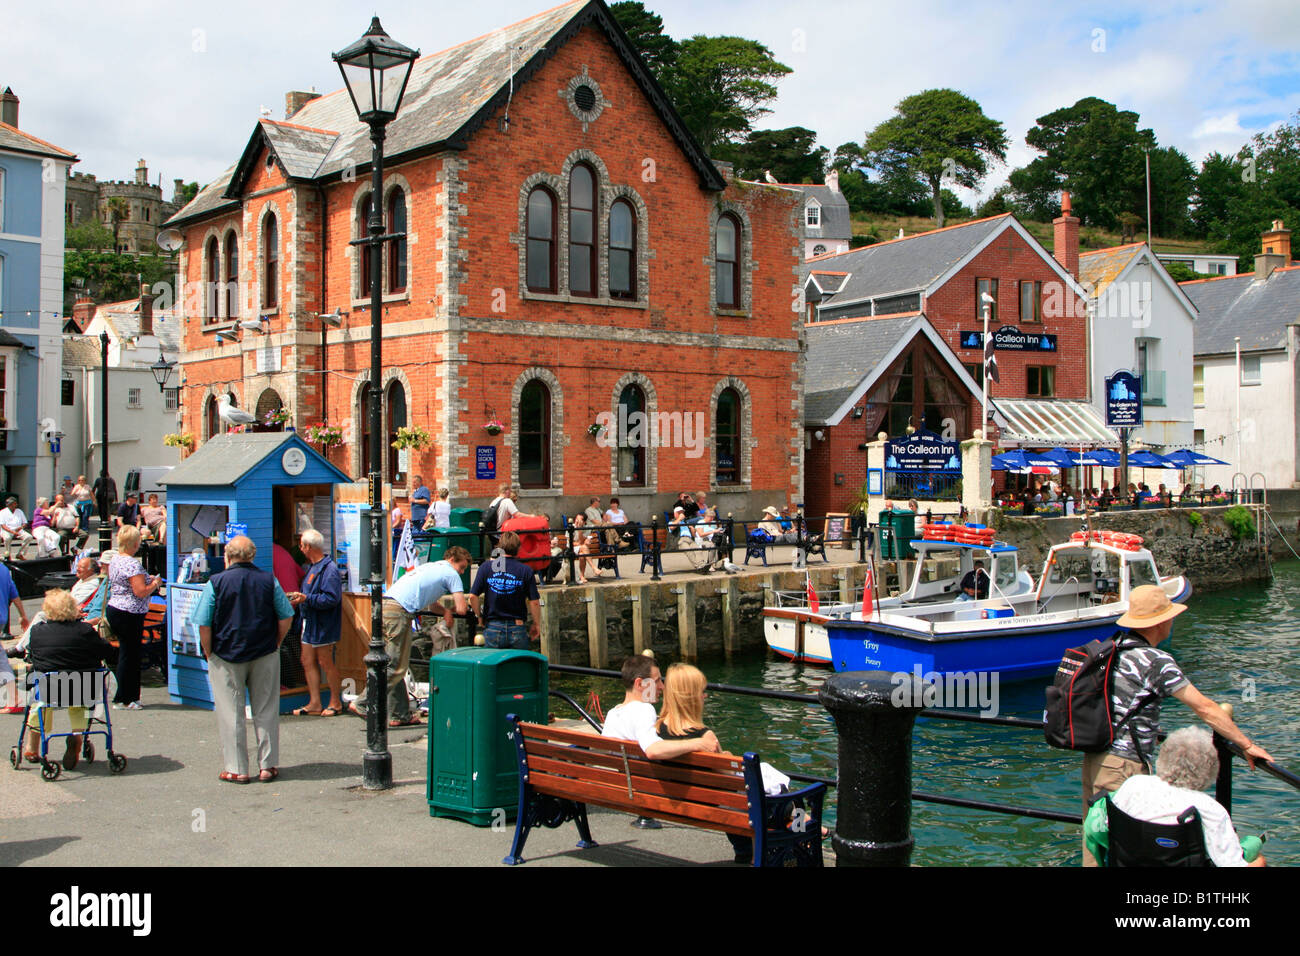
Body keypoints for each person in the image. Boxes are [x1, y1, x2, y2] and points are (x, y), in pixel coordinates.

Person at [1080, 584, 1274, 866]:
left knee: (1096, 844)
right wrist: (1246, 744)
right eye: (1169, 617)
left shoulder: (1114, 647)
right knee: (1130, 851)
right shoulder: (1155, 661)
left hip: (1094, 756)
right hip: (1122, 765)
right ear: (1160, 622)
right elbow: (1205, 708)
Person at [195, 536, 294, 783]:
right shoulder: (268, 580)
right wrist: (277, 642)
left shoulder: (216, 582)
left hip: (226, 652)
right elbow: (286, 615)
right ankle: (267, 766)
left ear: (227, 556)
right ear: (252, 555)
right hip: (264, 651)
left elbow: (204, 623)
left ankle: (237, 768)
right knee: (266, 709)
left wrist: (208, 651)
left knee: (231, 712)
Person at [1097, 727, 1266, 867]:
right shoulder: (1209, 809)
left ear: (1163, 756)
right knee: (1258, 861)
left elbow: (1106, 828)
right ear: (1210, 768)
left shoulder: (1133, 785)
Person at [351, 546, 471, 726]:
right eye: (462, 567)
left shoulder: (431, 567)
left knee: (395, 663)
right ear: (452, 559)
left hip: (386, 606)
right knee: (395, 667)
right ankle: (363, 702)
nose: (461, 572)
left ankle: (399, 714)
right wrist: (461, 607)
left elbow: (432, 606)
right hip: (400, 612)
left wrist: (446, 611)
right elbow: (461, 609)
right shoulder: (451, 574)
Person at [20, 589, 115, 769]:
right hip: (83, 687)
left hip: (51, 688)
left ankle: (32, 748)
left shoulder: (38, 631)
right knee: (79, 704)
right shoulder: (85, 631)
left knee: (40, 704)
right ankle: (77, 736)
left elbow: (34, 658)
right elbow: (108, 652)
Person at [601, 655, 720, 761]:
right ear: (639, 684)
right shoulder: (644, 710)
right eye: (657, 681)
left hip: (622, 776)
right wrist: (697, 743)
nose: (662, 686)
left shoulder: (613, 714)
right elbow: (653, 750)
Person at [287, 529, 344, 717]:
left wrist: (306, 598)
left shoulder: (329, 570)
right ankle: (315, 703)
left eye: (302, 545)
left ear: (308, 546)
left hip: (323, 624)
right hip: (310, 622)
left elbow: (332, 599)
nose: (300, 549)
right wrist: (301, 598)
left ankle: (335, 702)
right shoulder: (312, 567)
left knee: (325, 661)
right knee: (307, 660)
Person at [106, 526, 161, 710]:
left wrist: (146, 580)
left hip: (116, 607)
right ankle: (127, 699)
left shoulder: (116, 559)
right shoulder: (132, 564)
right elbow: (140, 591)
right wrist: (155, 583)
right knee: (130, 656)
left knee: (126, 654)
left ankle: (124, 697)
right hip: (129, 612)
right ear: (135, 543)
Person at [469, 531, 540, 650]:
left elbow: (472, 596)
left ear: (499, 546)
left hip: (493, 625)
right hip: (517, 625)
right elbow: (535, 602)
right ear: (518, 548)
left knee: (493, 661)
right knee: (518, 661)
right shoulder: (525, 570)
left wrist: (479, 616)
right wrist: (536, 624)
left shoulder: (486, 567)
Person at [0, 559, 29, 713]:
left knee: (1, 660)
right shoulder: (3, 569)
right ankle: (14, 698)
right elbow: (14, 594)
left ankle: (15, 699)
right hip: (1, 618)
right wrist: (23, 615)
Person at [0, 496, 35, 560]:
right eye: (9, 504)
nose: (11, 505)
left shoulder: (19, 511)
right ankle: (8, 555)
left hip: (18, 530)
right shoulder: (2, 512)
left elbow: (25, 523)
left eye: (12, 504)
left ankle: (20, 554)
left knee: (29, 537)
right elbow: (3, 526)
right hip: (7, 530)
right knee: (7, 538)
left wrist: (21, 527)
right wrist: (13, 532)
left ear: (15, 504)